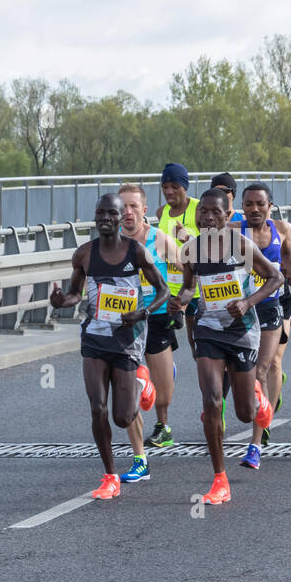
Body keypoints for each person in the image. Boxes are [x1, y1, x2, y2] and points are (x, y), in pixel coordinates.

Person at [49, 194, 166, 500]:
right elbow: (76, 293)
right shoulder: (85, 254)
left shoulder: (135, 251)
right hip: (95, 338)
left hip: (127, 338)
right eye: (99, 213)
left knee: (123, 418)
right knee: (97, 407)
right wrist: (63, 301)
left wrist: (143, 312)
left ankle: (142, 382)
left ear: (119, 218)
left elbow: (162, 290)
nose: (104, 218)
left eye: (110, 213)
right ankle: (110, 476)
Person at [169, 189, 279, 505]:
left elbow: (275, 278)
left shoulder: (241, 246)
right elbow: (191, 287)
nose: (207, 217)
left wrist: (247, 302)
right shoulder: (190, 250)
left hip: (242, 331)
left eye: (215, 212)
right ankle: (220, 479)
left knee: (246, 414)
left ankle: (259, 399)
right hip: (208, 330)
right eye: (203, 212)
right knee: (212, 401)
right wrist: (182, 301)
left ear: (227, 216)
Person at [117, 183, 182, 479]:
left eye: (133, 206)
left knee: (162, 397)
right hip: (126, 322)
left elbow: (187, 268)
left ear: (144, 210)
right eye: (122, 207)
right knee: (130, 388)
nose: (127, 212)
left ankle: (160, 388)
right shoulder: (112, 244)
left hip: (156, 318)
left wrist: (180, 303)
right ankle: (139, 458)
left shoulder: (159, 239)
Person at [237, 182, 291, 467]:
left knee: (262, 368)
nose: (254, 209)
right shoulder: (234, 232)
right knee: (241, 372)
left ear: (269, 206)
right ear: (242, 207)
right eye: (248, 204)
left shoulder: (281, 229)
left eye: (260, 204)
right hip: (240, 311)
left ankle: (255, 446)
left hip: (270, 308)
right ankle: (255, 409)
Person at [155, 162, 201, 359]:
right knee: (161, 345)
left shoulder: (199, 209)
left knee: (196, 342)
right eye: (165, 186)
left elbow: (214, 245)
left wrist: (188, 239)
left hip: (196, 289)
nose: (169, 191)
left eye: (175, 186)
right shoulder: (161, 212)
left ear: (185, 187)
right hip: (170, 289)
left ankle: (213, 385)